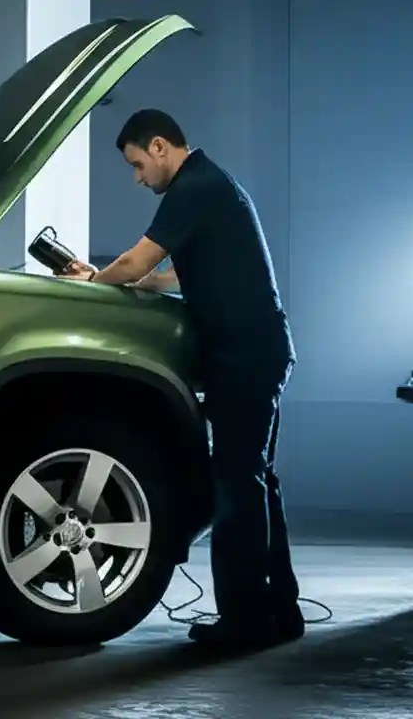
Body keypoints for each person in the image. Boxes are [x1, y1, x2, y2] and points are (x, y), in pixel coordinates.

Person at [61, 109, 303, 649]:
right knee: (256, 479)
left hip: (246, 356)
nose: (138, 177)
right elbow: (174, 272)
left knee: (237, 485)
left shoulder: (193, 187)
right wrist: (140, 282)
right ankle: (279, 612)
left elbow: (134, 259)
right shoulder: (213, 185)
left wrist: (98, 282)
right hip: (257, 351)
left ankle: (244, 623)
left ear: (161, 146)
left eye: (137, 165)